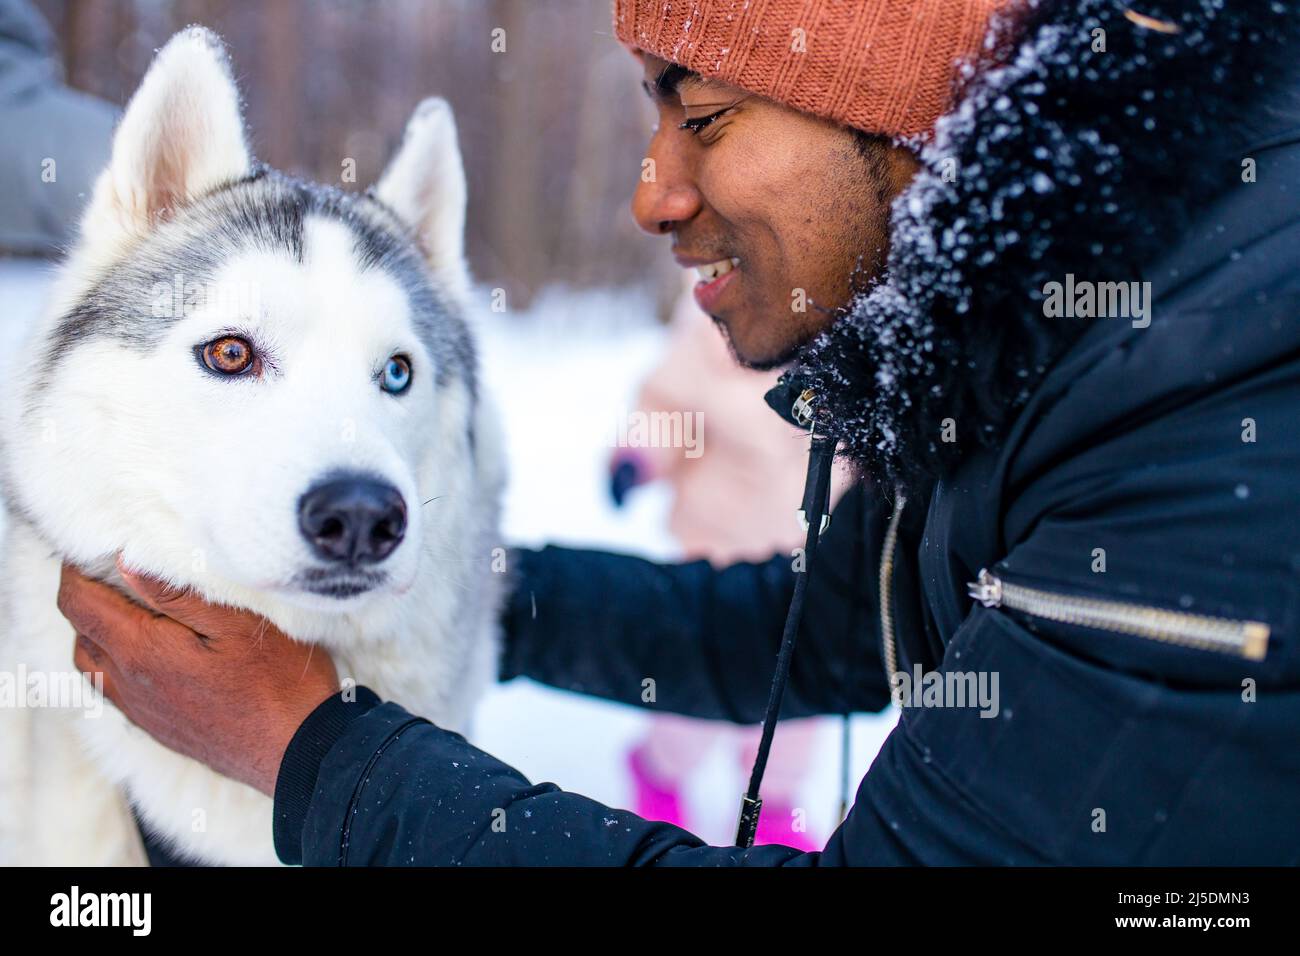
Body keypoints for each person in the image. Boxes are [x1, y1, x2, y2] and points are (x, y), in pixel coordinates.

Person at [60, 0, 1300, 865]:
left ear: (896, 102)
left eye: (701, 116)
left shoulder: (1210, 393)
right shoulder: (1056, 336)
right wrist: (456, 585)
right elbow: (804, 628)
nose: (649, 192)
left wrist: (312, 751)